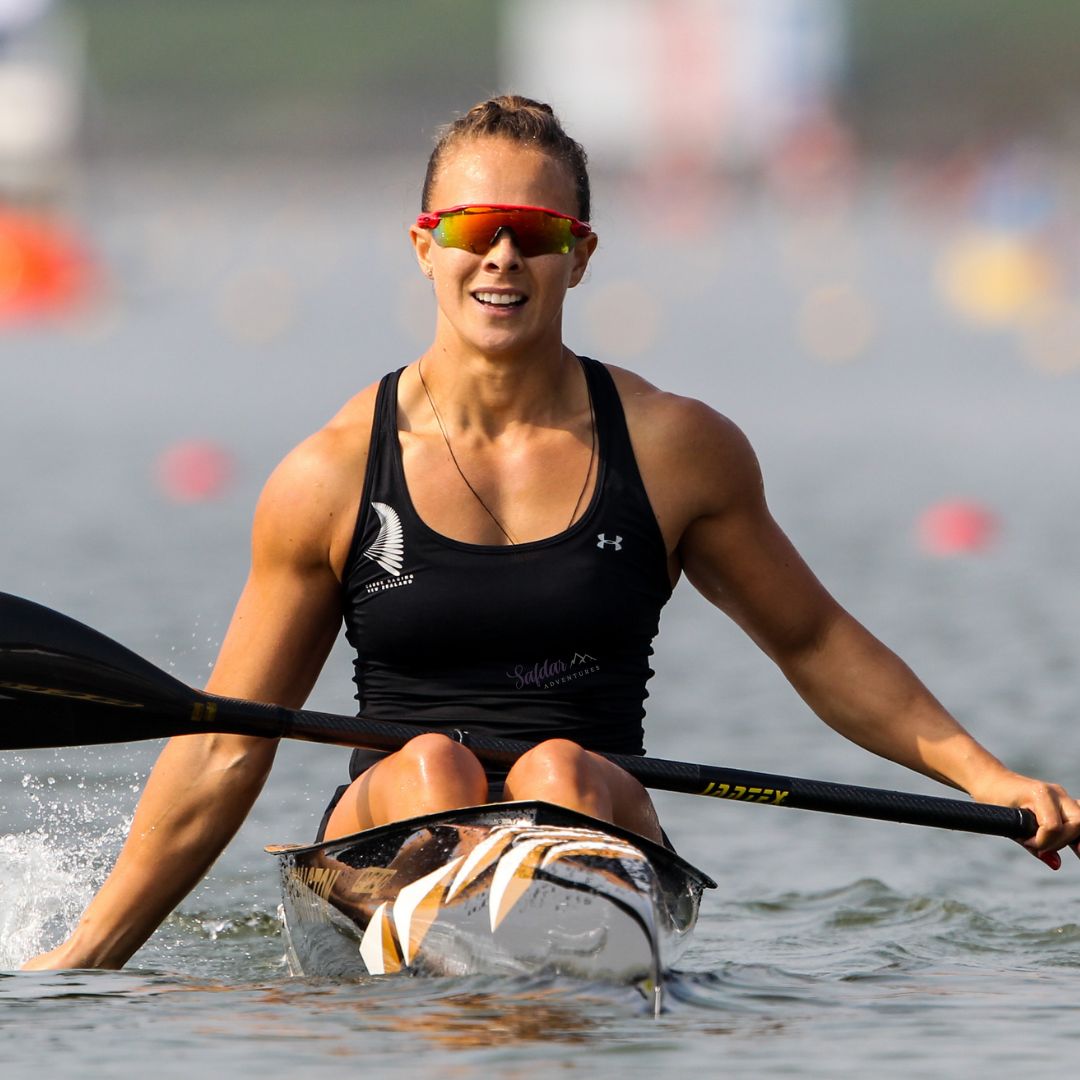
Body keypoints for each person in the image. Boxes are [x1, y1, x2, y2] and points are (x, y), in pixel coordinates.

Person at [25, 95, 1080, 971]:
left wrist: (989, 778)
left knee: (559, 774)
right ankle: (485, 900)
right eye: (474, 229)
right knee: (437, 764)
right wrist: (81, 968)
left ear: (580, 256)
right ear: (424, 246)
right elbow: (227, 743)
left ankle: (527, 886)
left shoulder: (676, 450)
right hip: (397, 811)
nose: (502, 258)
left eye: (536, 234)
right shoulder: (332, 472)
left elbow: (815, 644)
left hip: (589, 805)